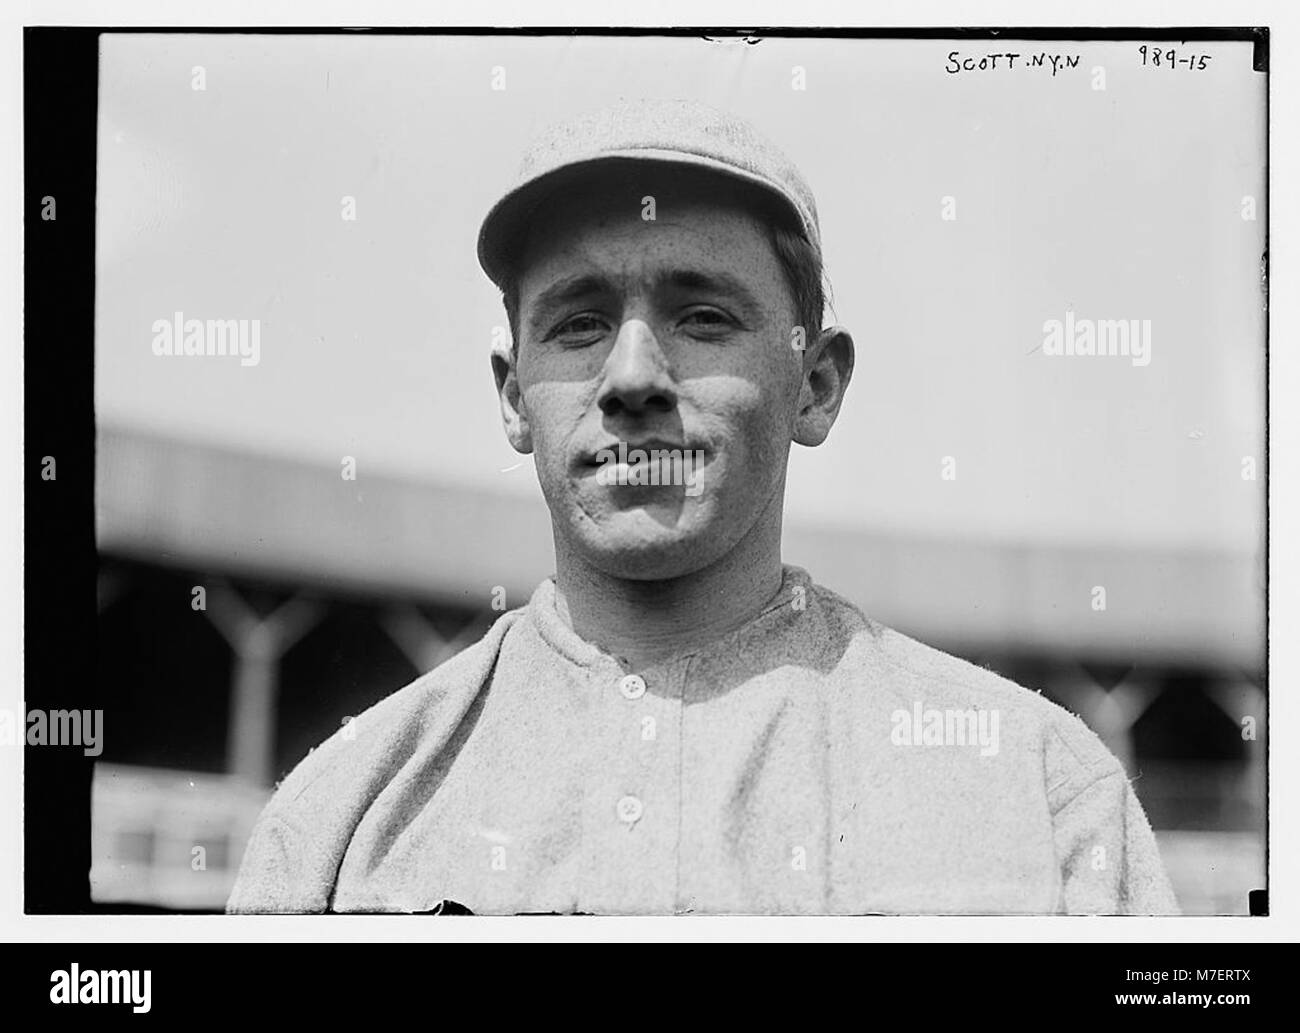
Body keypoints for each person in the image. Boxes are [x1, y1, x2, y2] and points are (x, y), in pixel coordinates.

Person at [228, 99, 1177, 915]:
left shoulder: (1039, 792)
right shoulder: (344, 817)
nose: (633, 376)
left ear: (816, 386)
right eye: (580, 323)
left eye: (703, 316)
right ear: (515, 397)